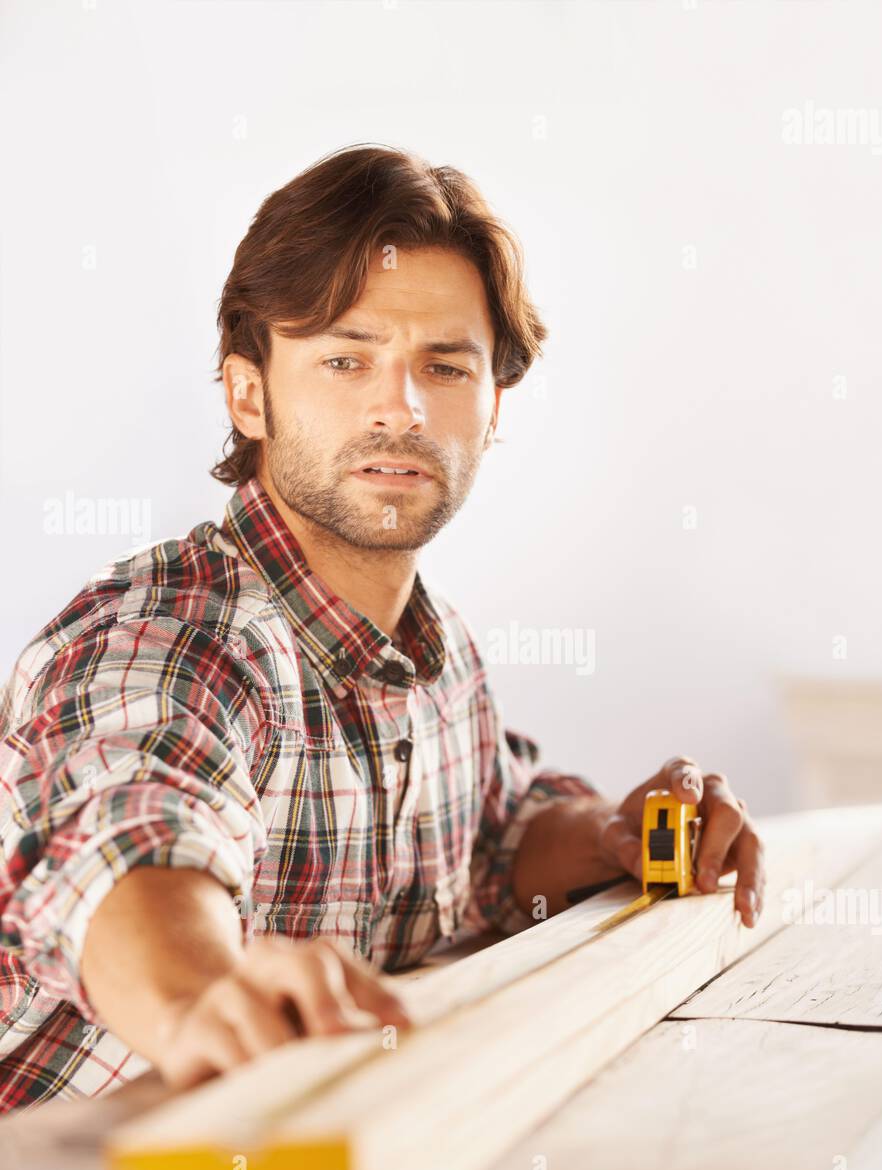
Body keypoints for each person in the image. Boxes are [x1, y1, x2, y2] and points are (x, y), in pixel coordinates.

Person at [0, 144, 764, 1112]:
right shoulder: (169, 637)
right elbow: (125, 837)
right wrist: (199, 997)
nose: (399, 407)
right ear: (248, 393)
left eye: (443, 367)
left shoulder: (435, 653)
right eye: (345, 359)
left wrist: (610, 832)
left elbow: (485, 849)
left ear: (492, 410)